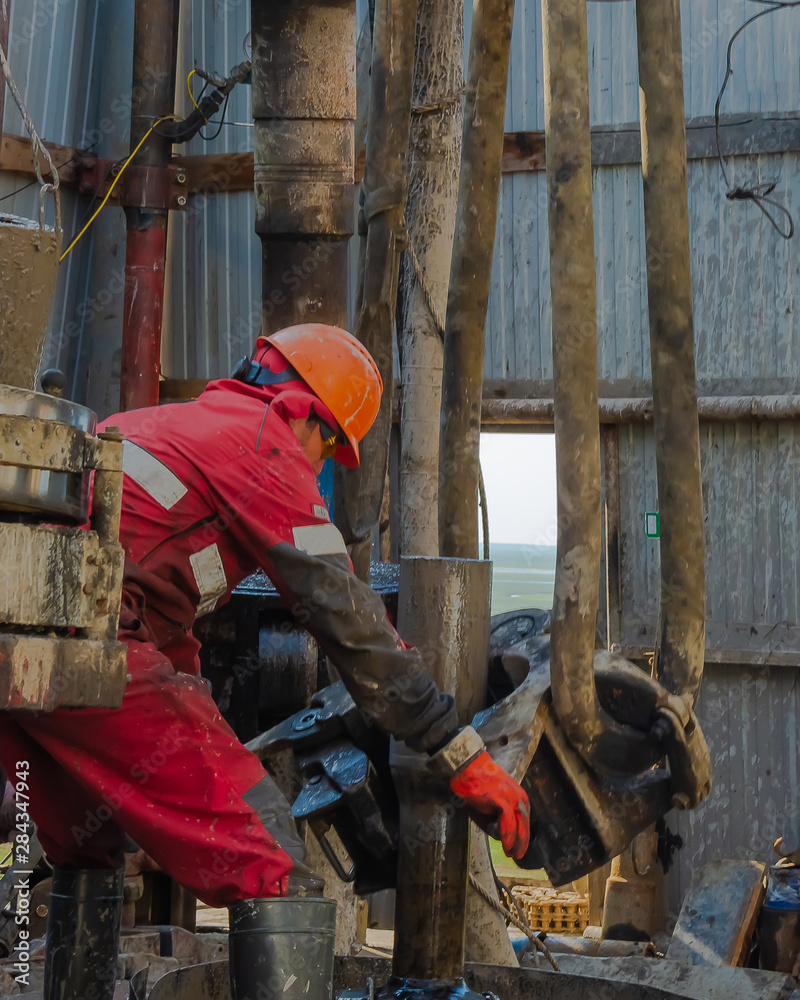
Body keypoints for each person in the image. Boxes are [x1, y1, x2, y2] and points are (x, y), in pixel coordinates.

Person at [0, 324, 530, 1000]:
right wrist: (455, 747)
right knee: (270, 860)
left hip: (26, 654)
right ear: (305, 411)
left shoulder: (157, 423)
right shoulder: (264, 444)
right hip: (89, 641)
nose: (321, 466)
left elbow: (159, 603)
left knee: (86, 845)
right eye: (332, 447)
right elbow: (345, 615)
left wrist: (199, 712)